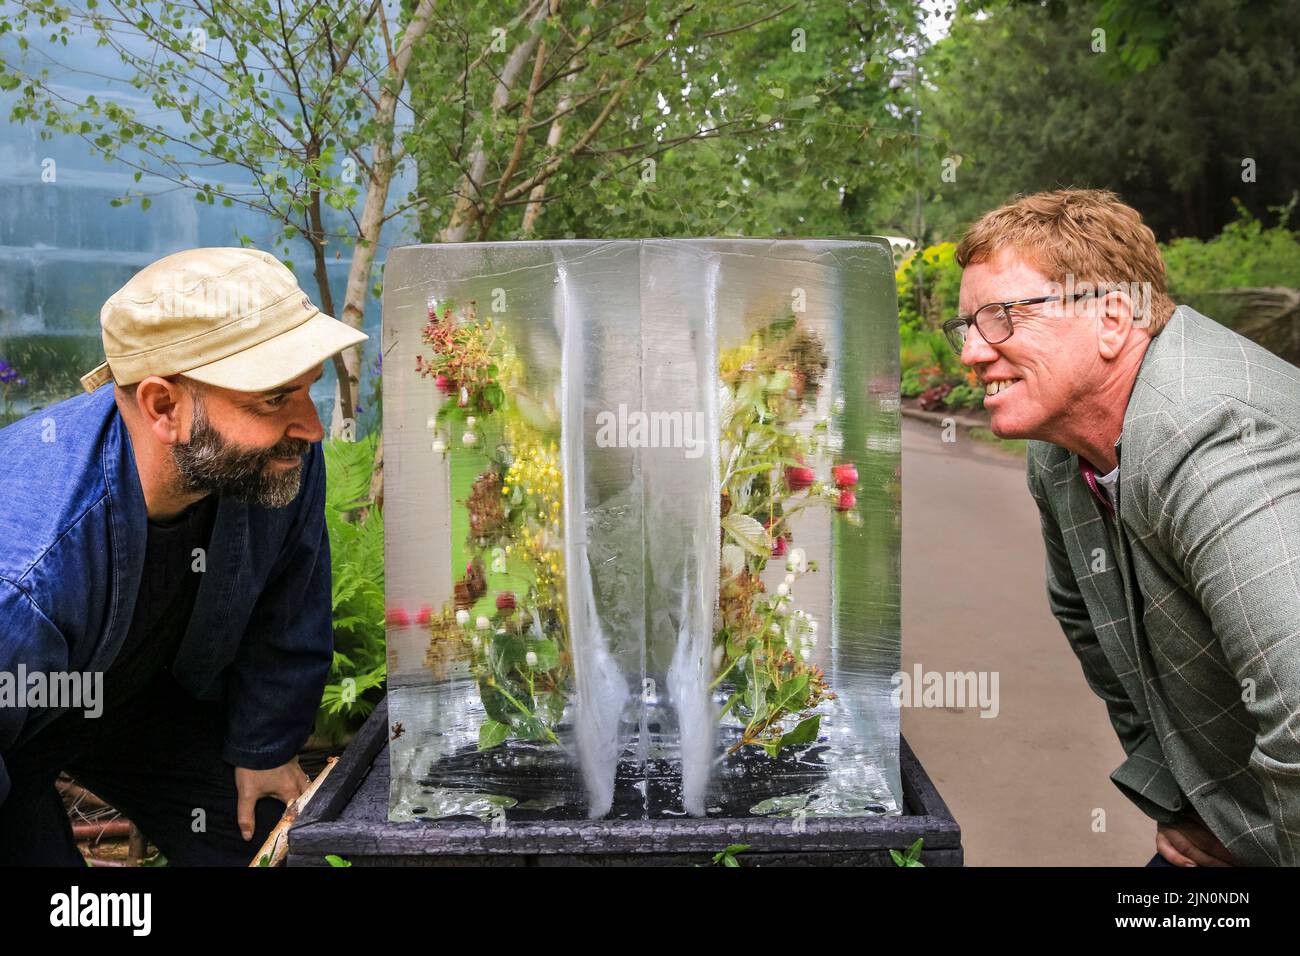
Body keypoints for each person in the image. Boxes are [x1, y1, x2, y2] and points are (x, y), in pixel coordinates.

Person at [948, 189, 1300, 867]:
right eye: (966, 326)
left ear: (1113, 317)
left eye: (1000, 318)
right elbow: (1092, 624)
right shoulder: (1060, 452)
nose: (972, 353)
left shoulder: (1215, 438)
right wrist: (1184, 800)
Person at [0, 247, 367, 864]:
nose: (313, 427)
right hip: (17, 722)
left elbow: (290, 599)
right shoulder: (30, 570)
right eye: (275, 398)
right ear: (163, 406)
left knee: (270, 840)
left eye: (308, 390)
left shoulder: (276, 460)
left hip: (129, 700)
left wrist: (264, 745)